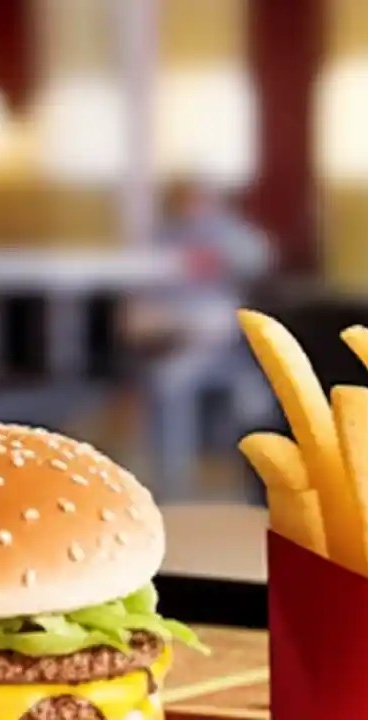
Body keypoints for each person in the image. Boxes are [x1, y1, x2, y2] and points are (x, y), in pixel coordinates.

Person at [135, 179, 274, 499]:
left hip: (223, 346)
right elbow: (142, 307)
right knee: (164, 380)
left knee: (175, 380)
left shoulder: (230, 235)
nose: (193, 208)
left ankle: (186, 478)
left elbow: (256, 258)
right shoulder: (163, 239)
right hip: (171, 340)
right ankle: (171, 477)